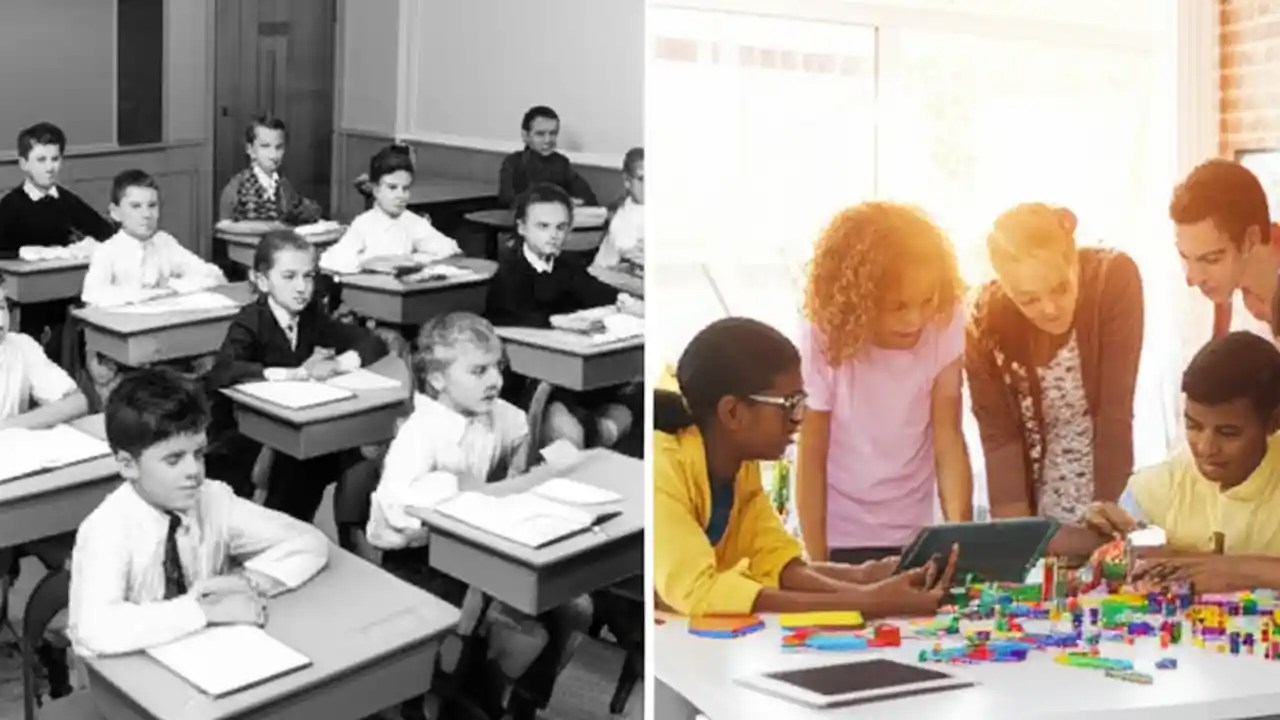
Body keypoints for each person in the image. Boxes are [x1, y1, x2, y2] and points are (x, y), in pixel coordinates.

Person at [654, 316, 958, 618]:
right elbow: (700, 591)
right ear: (733, 413)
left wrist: (866, 576)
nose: (799, 419)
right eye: (790, 405)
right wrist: (871, 601)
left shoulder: (741, 465)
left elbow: (774, 562)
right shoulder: (662, 468)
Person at [67, 367, 329, 657]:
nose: (193, 471)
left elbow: (308, 542)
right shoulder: (107, 528)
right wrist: (201, 611)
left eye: (199, 454)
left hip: (204, 656)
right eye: (174, 460)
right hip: (129, 670)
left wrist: (245, 582)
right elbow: (96, 629)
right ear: (128, 465)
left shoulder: (213, 499)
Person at [796, 202, 972, 566]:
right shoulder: (821, 336)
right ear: (857, 303)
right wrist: (818, 563)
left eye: (926, 301)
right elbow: (811, 454)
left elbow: (949, 437)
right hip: (838, 535)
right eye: (898, 307)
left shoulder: (945, 320)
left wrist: (962, 542)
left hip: (916, 535)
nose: (916, 319)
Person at [1049, 332, 1280, 578]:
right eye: (1194, 426)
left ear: (1273, 422)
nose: (1205, 448)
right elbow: (1114, 564)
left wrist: (1221, 569)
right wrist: (1100, 536)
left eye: (1228, 433)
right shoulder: (1153, 491)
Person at [967, 204, 1143, 525]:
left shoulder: (1111, 279)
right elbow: (999, 439)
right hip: (1040, 515)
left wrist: (1108, 514)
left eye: (1060, 288)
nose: (1049, 308)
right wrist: (1017, 538)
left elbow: (1114, 410)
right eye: (1029, 299)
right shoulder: (984, 320)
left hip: (1108, 498)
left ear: (1073, 259)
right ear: (1005, 288)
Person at [205, 229, 386, 521]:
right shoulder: (251, 321)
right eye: (289, 277)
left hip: (301, 427)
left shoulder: (311, 315)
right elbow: (223, 372)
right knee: (293, 466)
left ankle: (348, 534)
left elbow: (370, 342)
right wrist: (295, 373)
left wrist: (339, 364)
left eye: (309, 276)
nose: (302, 287)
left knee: (357, 459)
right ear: (262, 281)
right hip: (245, 439)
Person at [486, 183, 640, 450]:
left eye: (561, 227)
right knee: (568, 433)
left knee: (633, 406)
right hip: (528, 378)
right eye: (543, 227)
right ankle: (585, 440)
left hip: (572, 375)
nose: (554, 235)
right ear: (522, 228)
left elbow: (596, 292)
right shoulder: (510, 272)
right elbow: (506, 314)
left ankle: (596, 436)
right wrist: (555, 321)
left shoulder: (567, 266)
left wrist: (626, 302)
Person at [0, 122, 115, 354]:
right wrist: (25, 253)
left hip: (66, 293)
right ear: (24, 164)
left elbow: (104, 232)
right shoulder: (10, 205)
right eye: (41, 160)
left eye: (55, 159)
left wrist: (85, 246)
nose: (50, 167)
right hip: (26, 299)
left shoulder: (66, 200)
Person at [1169, 158, 1280, 338]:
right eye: (1184, 257)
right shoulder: (1223, 298)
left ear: (1251, 239)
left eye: (1211, 259)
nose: (1192, 279)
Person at [319, 145, 461, 276]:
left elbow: (449, 248)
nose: (400, 195)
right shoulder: (364, 224)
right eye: (392, 188)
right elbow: (330, 261)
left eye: (405, 189)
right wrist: (367, 262)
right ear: (376, 190)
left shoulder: (411, 221)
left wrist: (411, 260)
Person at [217, 115, 323, 223]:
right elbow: (224, 225)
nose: (274, 155)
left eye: (279, 147)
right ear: (250, 149)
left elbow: (305, 208)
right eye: (265, 146)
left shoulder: (284, 185)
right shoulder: (236, 186)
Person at [497, 106, 598, 208]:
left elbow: (588, 197)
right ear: (525, 135)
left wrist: (576, 202)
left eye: (553, 133)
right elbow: (507, 199)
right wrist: (556, 201)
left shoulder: (561, 163)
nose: (547, 140)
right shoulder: (513, 163)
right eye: (540, 134)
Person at [591, 147, 644, 270]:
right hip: (610, 273)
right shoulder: (623, 217)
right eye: (643, 179)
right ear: (627, 181)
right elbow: (632, 256)